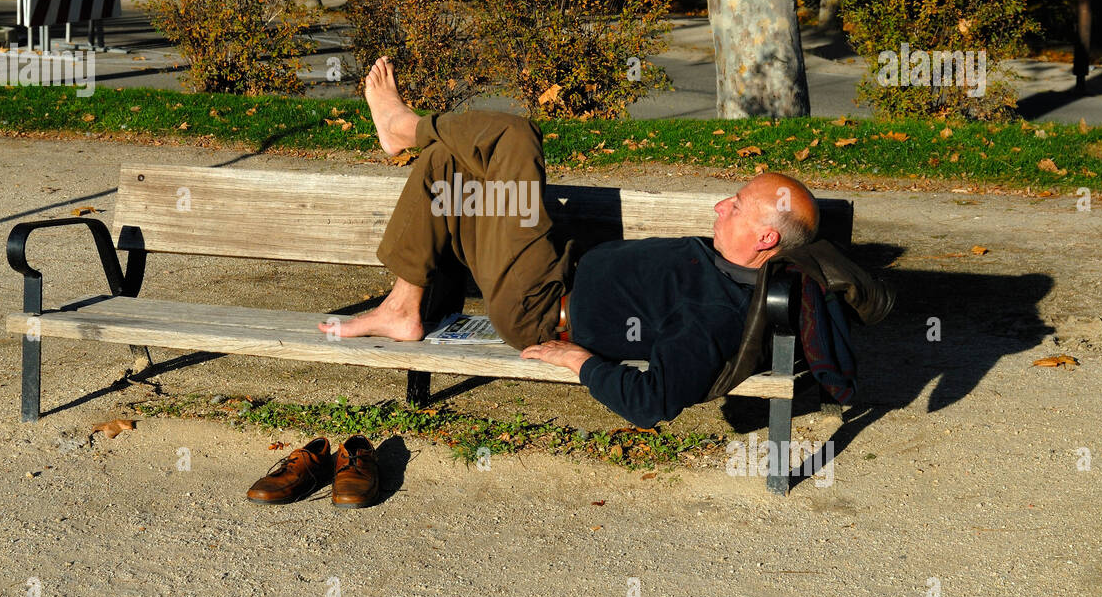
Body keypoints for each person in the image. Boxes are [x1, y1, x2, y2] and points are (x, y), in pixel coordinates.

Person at [317, 56, 820, 430]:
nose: (719, 207)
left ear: (766, 237)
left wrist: (582, 363)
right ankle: (402, 307)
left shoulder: (715, 311)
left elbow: (653, 403)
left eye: (734, 205)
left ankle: (404, 126)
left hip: (537, 306)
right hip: (551, 271)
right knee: (448, 165)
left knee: (514, 136)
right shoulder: (732, 264)